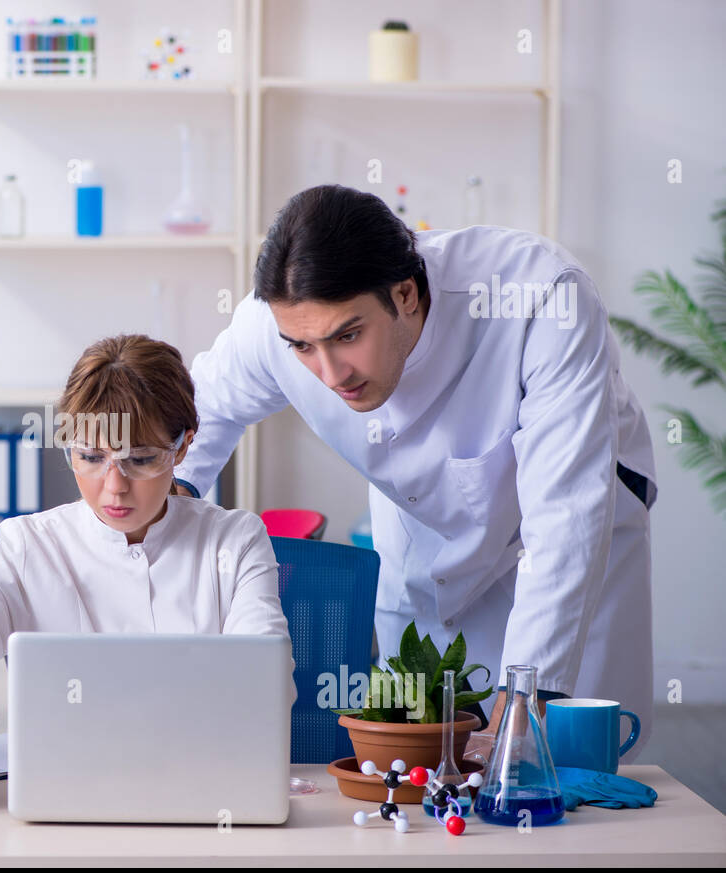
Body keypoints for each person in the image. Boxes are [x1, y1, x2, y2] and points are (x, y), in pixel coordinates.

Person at [172, 184, 657, 760]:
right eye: (303, 347)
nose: (329, 373)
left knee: (567, 768)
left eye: (348, 336)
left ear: (405, 294)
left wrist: (527, 692)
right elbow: (196, 415)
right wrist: (160, 510)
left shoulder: (539, 297)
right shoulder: (275, 326)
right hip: (420, 533)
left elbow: (565, 513)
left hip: (564, 540)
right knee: (420, 765)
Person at [0, 334, 293, 785]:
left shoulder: (234, 541)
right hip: (64, 797)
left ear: (183, 447)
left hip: (204, 787)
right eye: (90, 457)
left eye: (141, 459)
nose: (114, 486)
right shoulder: (27, 545)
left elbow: (267, 680)